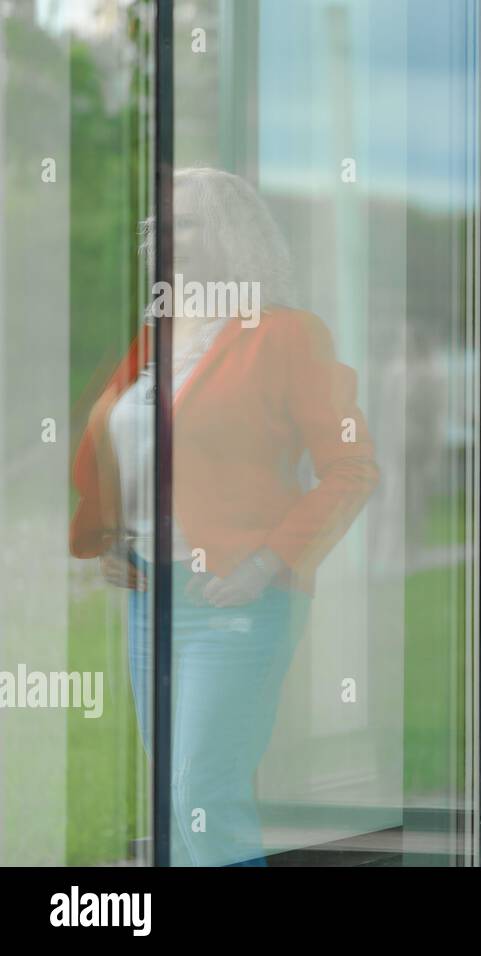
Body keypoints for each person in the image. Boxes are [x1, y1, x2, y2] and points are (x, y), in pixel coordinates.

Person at [69, 167, 380, 865]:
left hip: (237, 602)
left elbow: (354, 468)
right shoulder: (159, 335)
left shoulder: (287, 335)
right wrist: (113, 533)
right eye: (159, 225)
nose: (164, 238)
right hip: (151, 600)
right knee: (173, 803)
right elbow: (127, 440)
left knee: (202, 793)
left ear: (233, 236)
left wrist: (267, 562)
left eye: (185, 223)